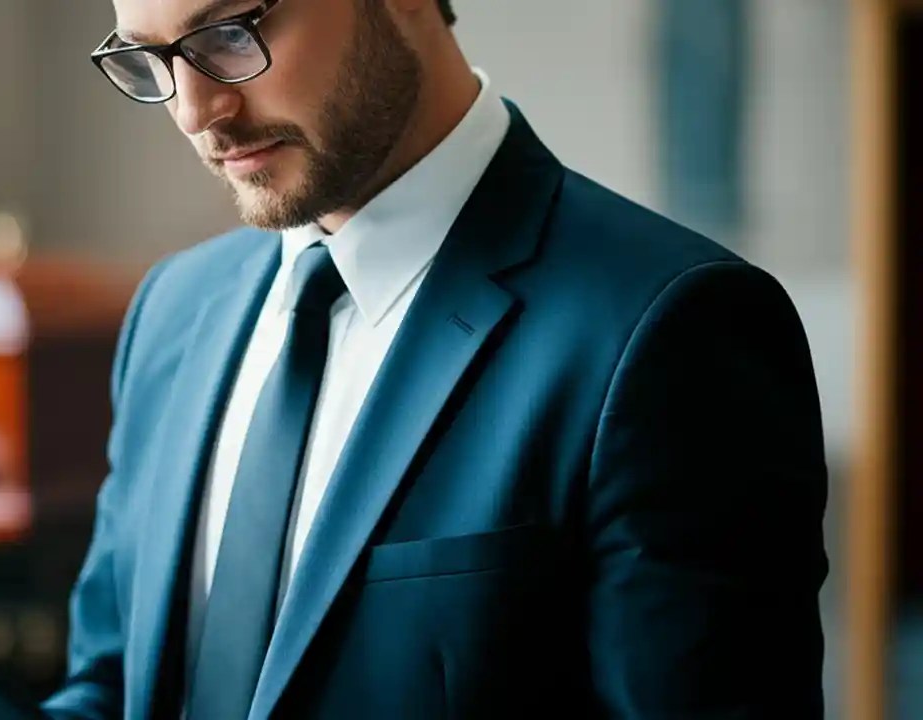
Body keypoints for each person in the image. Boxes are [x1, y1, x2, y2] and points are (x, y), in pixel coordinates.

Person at [44, 0, 829, 717]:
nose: (193, 110)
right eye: (152, 59)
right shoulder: (172, 313)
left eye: (230, 33)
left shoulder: (674, 330)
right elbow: (110, 687)